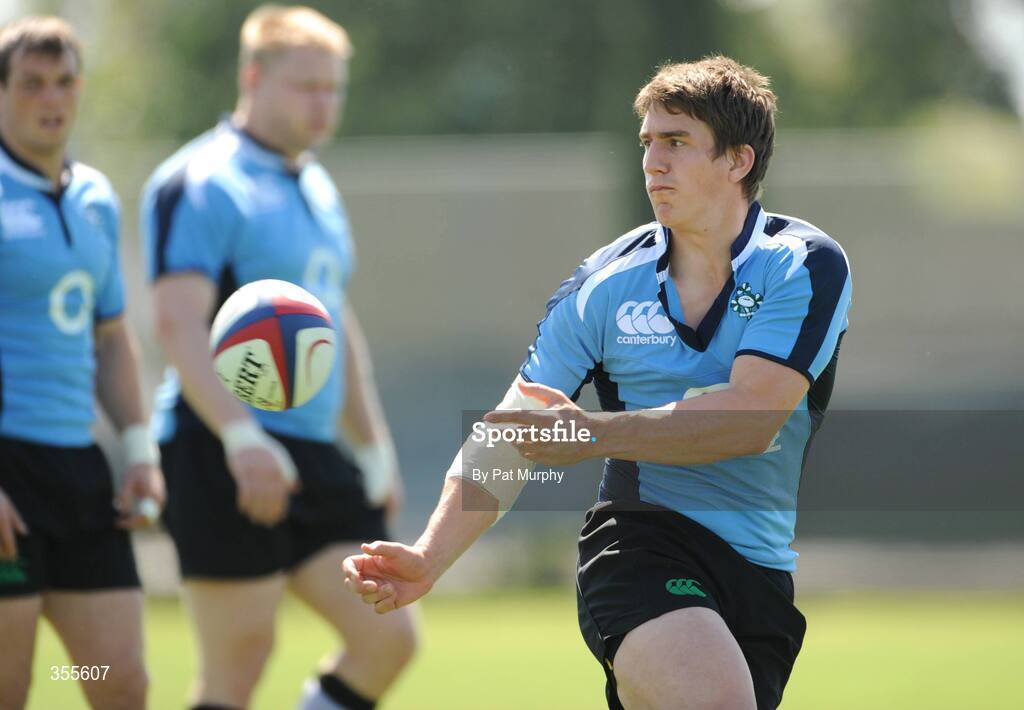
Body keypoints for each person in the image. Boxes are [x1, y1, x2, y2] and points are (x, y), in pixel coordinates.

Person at [343, 56, 852, 710]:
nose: (652, 162)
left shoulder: (800, 265)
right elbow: (510, 430)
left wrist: (588, 433)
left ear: (738, 161)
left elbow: (751, 419)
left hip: (759, 572)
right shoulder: (604, 285)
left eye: (676, 142)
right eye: (647, 143)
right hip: (639, 544)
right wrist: (429, 555)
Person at [140, 6, 417, 710]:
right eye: (306, 87)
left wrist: (373, 442)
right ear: (254, 77)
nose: (324, 104)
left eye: (334, 89)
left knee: (389, 638)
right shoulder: (202, 181)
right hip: (218, 446)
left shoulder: (316, 185)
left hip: (315, 450)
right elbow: (174, 323)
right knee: (239, 664)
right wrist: (241, 437)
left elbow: (331, 321)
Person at [0, 15, 165, 710]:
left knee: (113, 680)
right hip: (7, 470)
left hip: (77, 470)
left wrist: (138, 448)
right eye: (32, 83)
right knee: (10, 686)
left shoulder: (96, 197)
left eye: (64, 82)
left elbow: (110, 336)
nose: (51, 98)